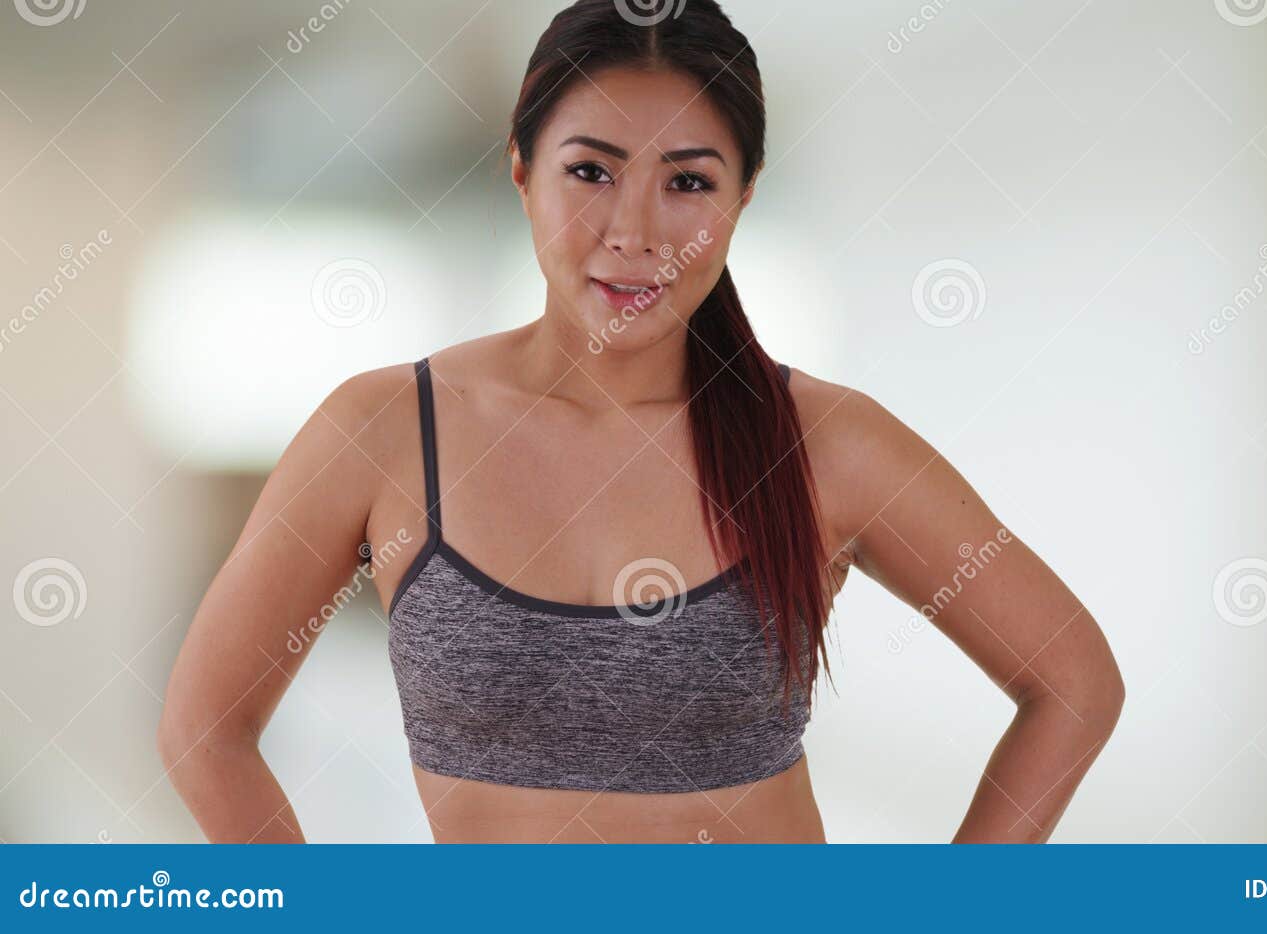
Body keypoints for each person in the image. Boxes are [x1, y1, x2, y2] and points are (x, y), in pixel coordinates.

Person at [157, 0, 1124, 844]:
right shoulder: (382, 431)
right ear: (521, 169)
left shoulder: (828, 443)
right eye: (591, 172)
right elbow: (206, 729)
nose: (636, 233)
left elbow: (1073, 684)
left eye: (690, 183)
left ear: (742, 199)